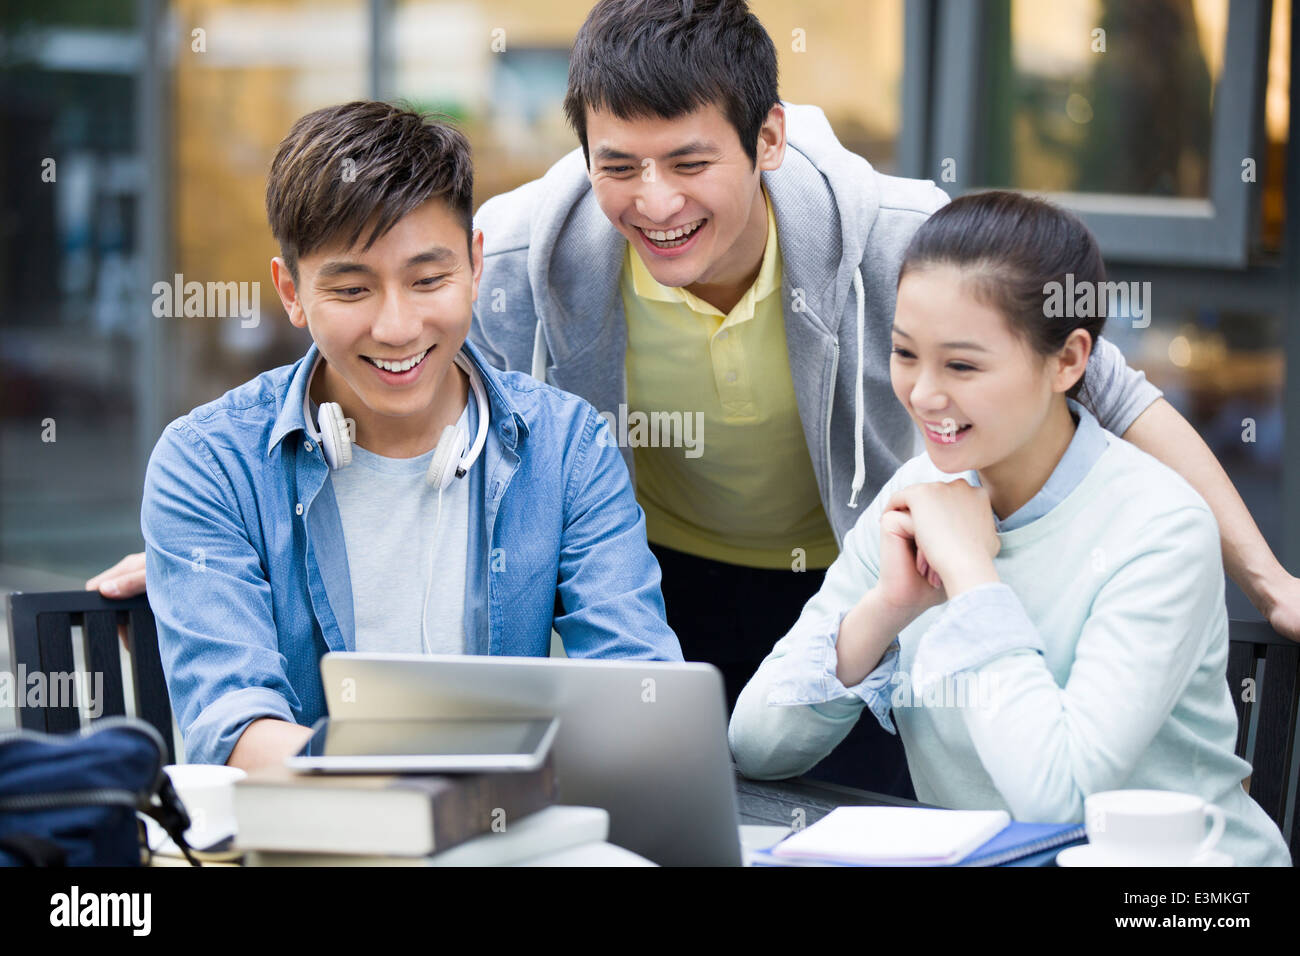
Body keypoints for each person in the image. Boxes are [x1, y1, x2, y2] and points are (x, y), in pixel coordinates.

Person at [94, 0, 1300, 792]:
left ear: (767, 139)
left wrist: (1266, 574)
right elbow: (357, 344)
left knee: (890, 793)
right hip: (668, 574)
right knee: (710, 769)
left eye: (688, 162)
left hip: (867, 558)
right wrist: (203, 528)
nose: (653, 200)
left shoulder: (901, 242)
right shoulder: (512, 253)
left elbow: (1118, 394)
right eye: (617, 165)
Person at [727, 191, 1291, 866]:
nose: (925, 395)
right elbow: (756, 742)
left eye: (962, 365)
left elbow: (1057, 798)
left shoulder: (1160, 530)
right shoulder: (916, 497)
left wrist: (971, 580)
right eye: (905, 354)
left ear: (1068, 360)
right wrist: (886, 610)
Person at [138, 101, 681, 772]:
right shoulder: (208, 466)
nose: (397, 328)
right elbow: (235, 724)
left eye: (428, 280)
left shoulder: (569, 449)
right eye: (352, 289)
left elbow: (639, 690)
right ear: (291, 292)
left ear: (476, 265)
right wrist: (418, 788)